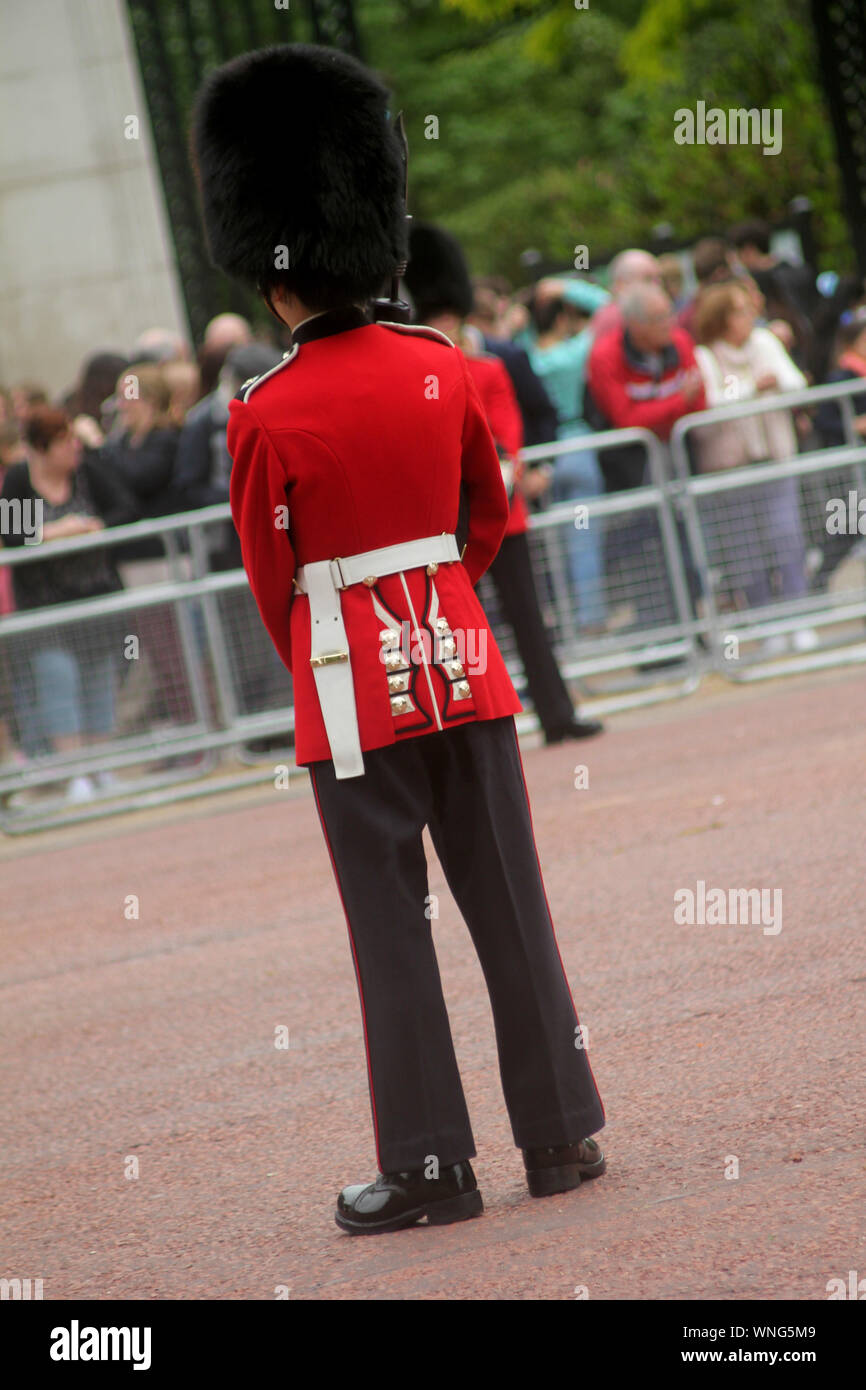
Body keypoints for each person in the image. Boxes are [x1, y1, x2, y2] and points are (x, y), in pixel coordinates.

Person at [191, 42, 605, 1235]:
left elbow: (273, 577)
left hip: (345, 691)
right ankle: (559, 1132)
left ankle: (430, 1168)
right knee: (512, 905)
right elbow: (490, 513)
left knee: (393, 936)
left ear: (272, 279)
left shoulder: (265, 411)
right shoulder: (446, 370)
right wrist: (439, 596)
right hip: (463, 664)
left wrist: (340, 640)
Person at [404, 221, 603, 743]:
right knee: (461, 630)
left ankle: (555, 714)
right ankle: (478, 727)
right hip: (445, 522)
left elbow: (505, 438)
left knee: (528, 621)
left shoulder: (488, 369)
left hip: (500, 513)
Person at [0, 407, 137, 799]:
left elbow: (126, 507)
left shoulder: (88, 472)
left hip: (97, 597)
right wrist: (54, 533)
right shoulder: (19, 479)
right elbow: (11, 532)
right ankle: (75, 773)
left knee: (100, 680)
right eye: (62, 442)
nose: (72, 448)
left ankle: (101, 767)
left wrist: (96, 527)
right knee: (57, 681)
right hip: (46, 608)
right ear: (41, 448)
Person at [692, 281, 815, 653]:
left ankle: (799, 617)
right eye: (741, 310)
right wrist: (752, 388)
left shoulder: (764, 342)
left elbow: (795, 383)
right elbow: (712, 402)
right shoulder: (705, 356)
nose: (750, 317)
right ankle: (767, 624)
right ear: (722, 318)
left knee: (786, 536)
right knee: (746, 550)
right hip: (731, 468)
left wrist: (775, 383)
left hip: (775, 458)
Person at [522, 277, 611, 632]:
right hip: (577, 446)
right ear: (560, 319)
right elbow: (609, 309)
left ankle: (568, 622)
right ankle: (591, 618)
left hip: (541, 455)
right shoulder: (575, 353)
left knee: (553, 544)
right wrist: (564, 287)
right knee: (584, 538)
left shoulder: (524, 356)